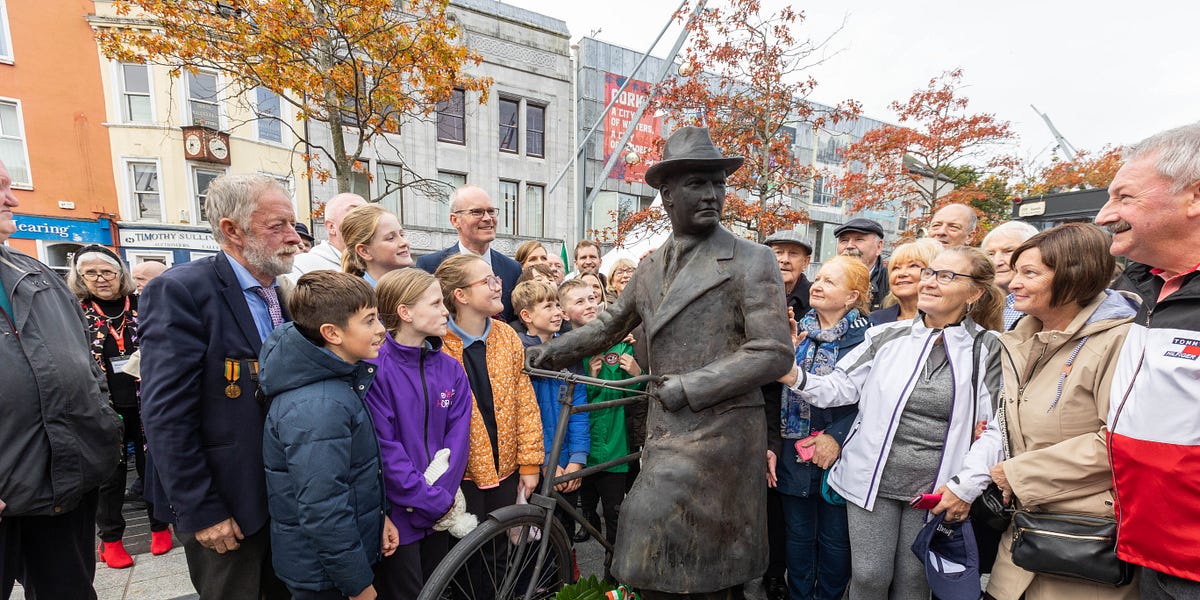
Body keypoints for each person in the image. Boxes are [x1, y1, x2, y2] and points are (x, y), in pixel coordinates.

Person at [528, 126, 794, 599]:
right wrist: (550, 350)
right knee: (658, 555)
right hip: (666, 430)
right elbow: (608, 325)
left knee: (670, 548)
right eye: (698, 184)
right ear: (667, 195)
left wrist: (692, 386)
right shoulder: (650, 267)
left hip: (720, 435)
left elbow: (773, 351)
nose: (713, 194)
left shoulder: (752, 260)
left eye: (719, 183)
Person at [783, 246, 1004, 600]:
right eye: (930, 272)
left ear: (975, 292)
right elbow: (839, 388)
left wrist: (965, 486)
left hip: (935, 489)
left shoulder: (990, 348)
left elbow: (998, 427)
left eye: (946, 276)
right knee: (868, 578)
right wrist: (790, 372)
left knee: (913, 584)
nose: (930, 281)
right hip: (871, 480)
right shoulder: (886, 335)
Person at [932, 223, 1139, 600]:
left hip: (1082, 541)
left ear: (1075, 276)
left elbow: (1120, 442)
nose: (1013, 284)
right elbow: (1005, 425)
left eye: (1030, 273)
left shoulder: (1122, 342)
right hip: (1024, 536)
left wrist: (1016, 472)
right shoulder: (1021, 340)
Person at [139, 173, 301, 600]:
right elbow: (166, 415)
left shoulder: (281, 296)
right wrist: (203, 509)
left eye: (293, 224)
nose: (294, 237)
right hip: (227, 505)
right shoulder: (181, 291)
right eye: (278, 226)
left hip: (281, 502)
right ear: (232, 229)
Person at [0, 158, 123, 598]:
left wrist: (103, 431)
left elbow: (88, 369)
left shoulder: (40, 279)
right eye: (0, 187)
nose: (12, 198)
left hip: (63, 486)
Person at [1093, 123, 1200, 598]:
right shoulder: (1143, 288)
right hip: (1150, 548)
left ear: (1194, 197)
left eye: (1124, 197)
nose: (1103, 215)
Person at [259, 270, 400, 600]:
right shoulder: (319, 405)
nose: (381, 329)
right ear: (332, 333)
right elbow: (323, 508)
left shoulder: (335, 385)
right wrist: (358, 585)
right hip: (324, 578)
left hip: (333, 566)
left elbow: (352, 478)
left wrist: (381, 518)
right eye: (368, 320)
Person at [434, 254, 543, 586]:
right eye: (488, 281)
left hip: (505, 467)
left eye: (497, 279)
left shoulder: (506, 336)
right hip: (460, 475)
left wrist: (529, 463)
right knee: (460, 559)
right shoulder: (439, 343)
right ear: (461, 295)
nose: (499, 285)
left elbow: (525, 402)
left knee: (498, 554)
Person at [770, 256, 872, 600]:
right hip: (793, 452)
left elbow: (872, 402)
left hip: (839, 456)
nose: (818, 284)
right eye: (820, 278)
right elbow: (775, 391)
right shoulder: (797, 330)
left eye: (831, 281)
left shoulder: (868, 339)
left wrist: (837, 437)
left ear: (852, 297)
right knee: (797, 537)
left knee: (835, 541)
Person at [367, 268, 473, 598]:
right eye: (436, 303)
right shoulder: (376, 367)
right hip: (399, 517)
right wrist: (424, 497)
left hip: (440, 508)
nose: (446, 311)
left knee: (440, 590)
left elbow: (458, 437)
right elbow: (384, 448)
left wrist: (440, 498)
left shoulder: (451, 368)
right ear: (405, 312)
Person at [68, 245, 173, 567]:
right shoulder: (75, 310)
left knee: (153, 466)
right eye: (91, 273)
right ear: (80, 277)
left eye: (108, 272)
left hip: (146, 400)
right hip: (102, 405)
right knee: (110, 476)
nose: (100, 279)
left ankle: (160, 524)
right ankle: (111, 538)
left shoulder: (142, 305)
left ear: (121, 274)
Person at [758, 230, 815, 600]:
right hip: (758, 407)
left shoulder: (816, 301)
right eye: (776, 252)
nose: (783, 259)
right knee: (760, 501)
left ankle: (784, 576)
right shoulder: (754, 293)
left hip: (801, 414)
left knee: (788, 508)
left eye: (792, 253)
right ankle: (762, 570)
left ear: (806, 261)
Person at [513, 280, 589, 546]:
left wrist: (577, 461)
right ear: (526, 316)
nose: (558, 311)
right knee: (532, 537)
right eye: (548, 306)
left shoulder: (569, 351)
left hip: (567, 460)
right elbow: (527, 416)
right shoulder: (520, 353)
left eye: (558, 305)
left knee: (562, 535)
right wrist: (546, 460)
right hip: (538, 461)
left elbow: (579, 411)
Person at [416, 185, 523, 322]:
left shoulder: (512, 269)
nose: (487, 218)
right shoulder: (430, 265)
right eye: (477, 212)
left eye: (491, 211)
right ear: (455, 220)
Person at [290, 193, 367, 276]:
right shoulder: (301, 267)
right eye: (356, 214)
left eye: (368, 214)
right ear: (331, 227)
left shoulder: (377, 265)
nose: (366, 220)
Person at [981, 221, 1040, 330]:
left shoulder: (1041, 305)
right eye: (990, 254)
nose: (996, 262)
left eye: (1008, 251)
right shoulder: (976, 303)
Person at [870, 239, 942, 324]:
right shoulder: (874, 322)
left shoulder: (950, 322)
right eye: (896, 268)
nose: (901, 273)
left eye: (913, 266)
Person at [339, 204, 413, 287]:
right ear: (364, 251)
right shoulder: (356, 298)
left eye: (402, 234)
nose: (404, 242)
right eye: (390, 238)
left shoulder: (419, 288)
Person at [835, 218, 889, 311]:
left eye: (859, 239)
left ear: (879, 247)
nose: (849, 246)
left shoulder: (891, 285)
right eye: (844, 240)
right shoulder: (825, 280)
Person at [765, 230, 815, 317]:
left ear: (806, 262)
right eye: (778, 252)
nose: (785, 260)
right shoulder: (751, 293)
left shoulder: (816, 298)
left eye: (793, 253)